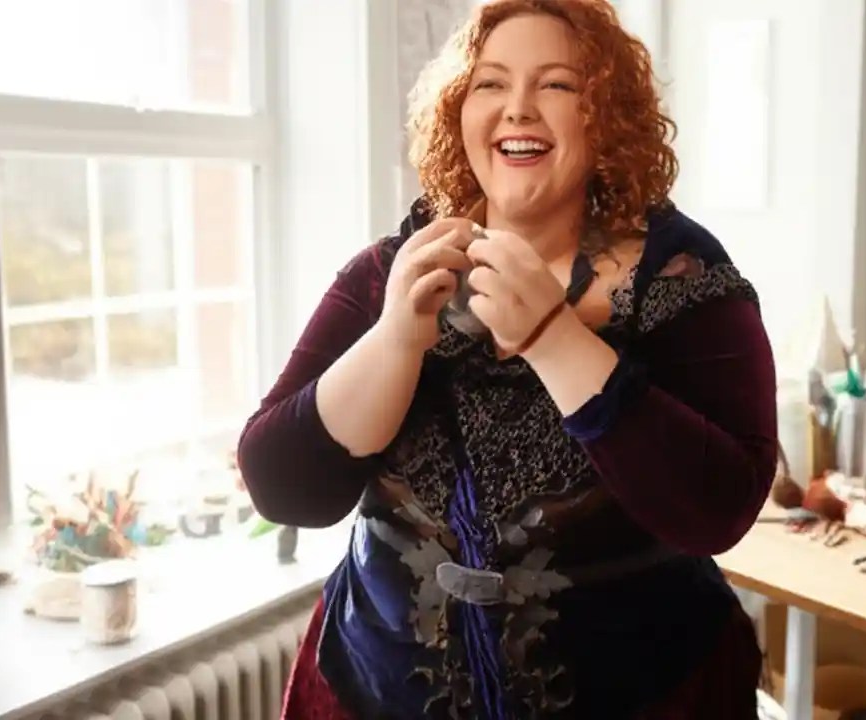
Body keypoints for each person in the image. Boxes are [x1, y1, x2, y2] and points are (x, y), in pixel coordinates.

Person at [237, 1, 777, 717]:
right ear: (460, 109)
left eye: (556, 84)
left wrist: (555, 338)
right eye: (490, 84)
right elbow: (282, 488)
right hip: (373, 689)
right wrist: (396, 337)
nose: (518, 108)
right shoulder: (386, 273)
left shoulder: (682, 278)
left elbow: (721, 510)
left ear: (605, 113)